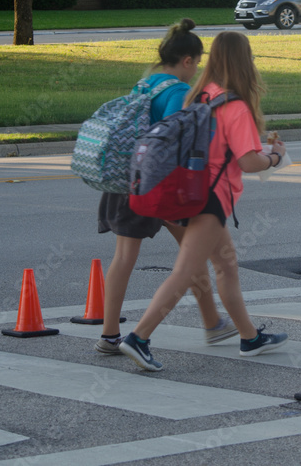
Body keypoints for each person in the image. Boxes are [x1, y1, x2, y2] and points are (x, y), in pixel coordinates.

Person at [119, 31, 288, 371]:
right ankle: (138, 337)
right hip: (211, 198)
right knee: (184, 272)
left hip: (193, 189)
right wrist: (274, 158)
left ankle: (249, 337)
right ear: (243, 61)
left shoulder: (202, 95)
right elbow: (248, 162)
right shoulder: (235, 105)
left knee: (226, 266)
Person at [94, 19, 238, 355]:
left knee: (124, 256)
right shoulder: (176, 91)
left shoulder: (146, 83)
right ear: (187, 61)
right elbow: (175, 136)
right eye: (197, 63)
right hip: (160, 185)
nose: (197, 69)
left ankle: (109, 333)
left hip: (127, 179)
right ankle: (212, 323)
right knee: (193, 254)